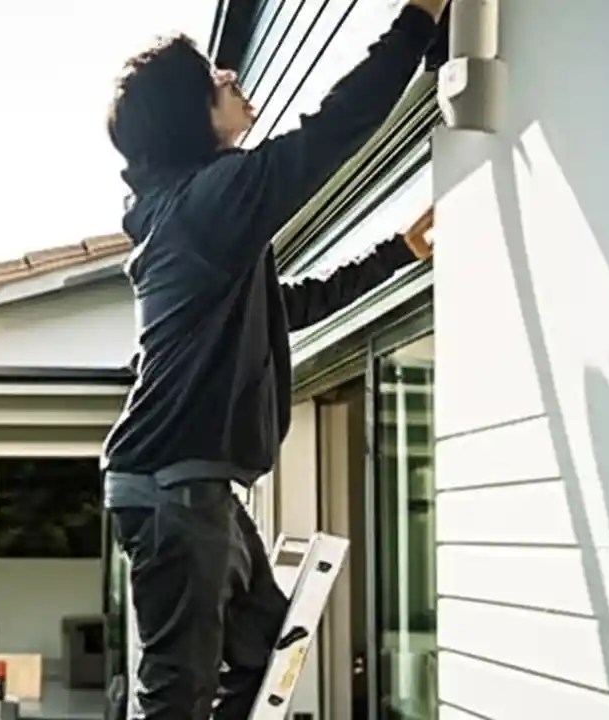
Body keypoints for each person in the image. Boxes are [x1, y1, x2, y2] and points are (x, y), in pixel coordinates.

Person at [102, 1, 449, 718]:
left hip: (193, 486)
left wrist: (396, 253)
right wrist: (418, 19)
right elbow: (329, 132)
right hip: (173, 490)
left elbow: (280, 312)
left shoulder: (195, 214)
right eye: (212, 76)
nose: (230, 75)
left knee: (262, 656)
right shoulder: (204, 206)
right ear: (184, 112)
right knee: (180, 695)